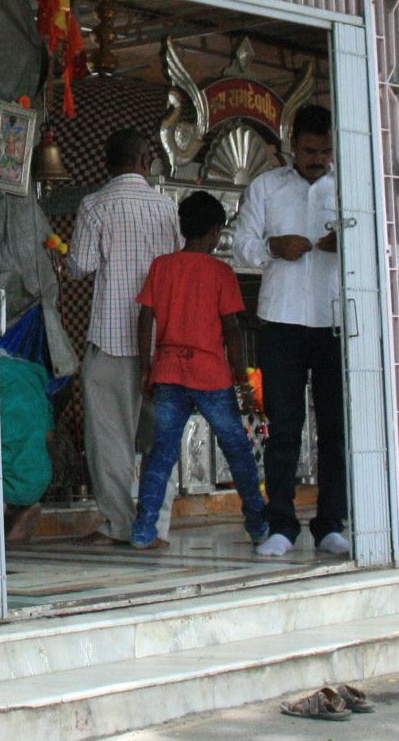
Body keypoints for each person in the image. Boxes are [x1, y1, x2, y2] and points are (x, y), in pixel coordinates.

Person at [232, 104, 348, 557]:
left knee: (335, 429)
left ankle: (331, 524)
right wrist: (270, 247)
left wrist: (349, 243)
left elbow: (379, 240)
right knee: (283, 426)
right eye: (309, 150)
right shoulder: (266, 187)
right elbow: (241, 247)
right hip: (281, 319)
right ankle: (281, 524)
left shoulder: (347, 187)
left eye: (325, 151)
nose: (318, 159)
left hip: (335, 319)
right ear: (292, 146)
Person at [129, 192, 269, 550]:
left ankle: (144, 531)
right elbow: (232, 331)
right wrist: (242, 381)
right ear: (215, 232)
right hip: (210, 376)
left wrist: (146, 367)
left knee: (159, 454)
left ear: (182, 227)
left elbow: (146, 318)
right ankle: (257, 523)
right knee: (238, 449)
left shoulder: (162, 266)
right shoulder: (221, 272)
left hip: (169, 372)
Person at [65, 128, 180, 544]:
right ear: (144, 160)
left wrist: (62, 257)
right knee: (160, 438)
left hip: (111, 338)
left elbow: (80, 265)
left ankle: (119, 523)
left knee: (110, 440)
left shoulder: (95, 205)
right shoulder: (167, 208)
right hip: (161, 341)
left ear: (106, 163)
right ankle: (156, 525)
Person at [0, 350, 54, 544]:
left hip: (4, 480)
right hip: (40, 477)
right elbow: (49, 436)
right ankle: (25, 505)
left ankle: (1, 508)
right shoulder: (33, 374)